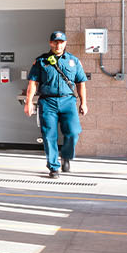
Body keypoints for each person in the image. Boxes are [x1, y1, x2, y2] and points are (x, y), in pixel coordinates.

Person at [24, 30, 89, 178]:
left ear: (65, 43)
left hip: (68, 101)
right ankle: (53, 167)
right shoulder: (41, 61)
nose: (58, 45)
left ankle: (66, 155)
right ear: (50, 43)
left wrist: (83, 103)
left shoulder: (73, 61)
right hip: (48, 102)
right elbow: (33, 83)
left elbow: (81, 83)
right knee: (49, 135)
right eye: (55, 42)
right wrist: (29, 102)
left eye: (61, 42)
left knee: (73, 132)